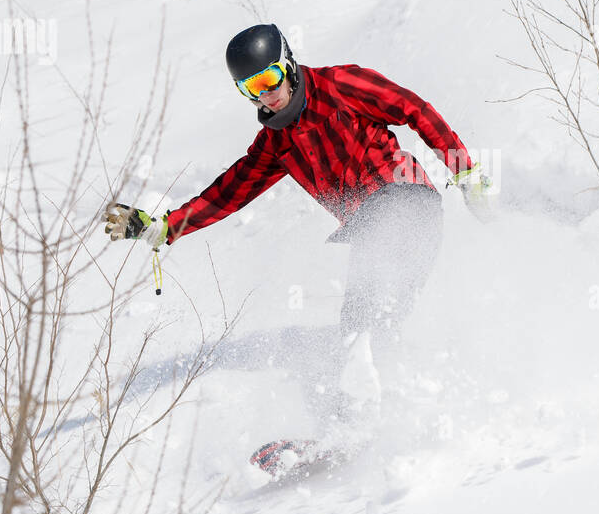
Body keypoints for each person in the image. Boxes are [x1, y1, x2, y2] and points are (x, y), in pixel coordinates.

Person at [103, 23, 489, 430]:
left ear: (287, 65)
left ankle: (356, 413)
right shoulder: (275, 143)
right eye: (251, 88)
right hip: (373, 230)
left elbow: (413, 108)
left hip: (406, 203)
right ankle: (391, 417)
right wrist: (165, 228)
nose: (265, 94)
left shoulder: (340, 84)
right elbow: (228, 193)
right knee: (375, 328)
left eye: (269, 79)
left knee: (362, 317)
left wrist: (465, 170)